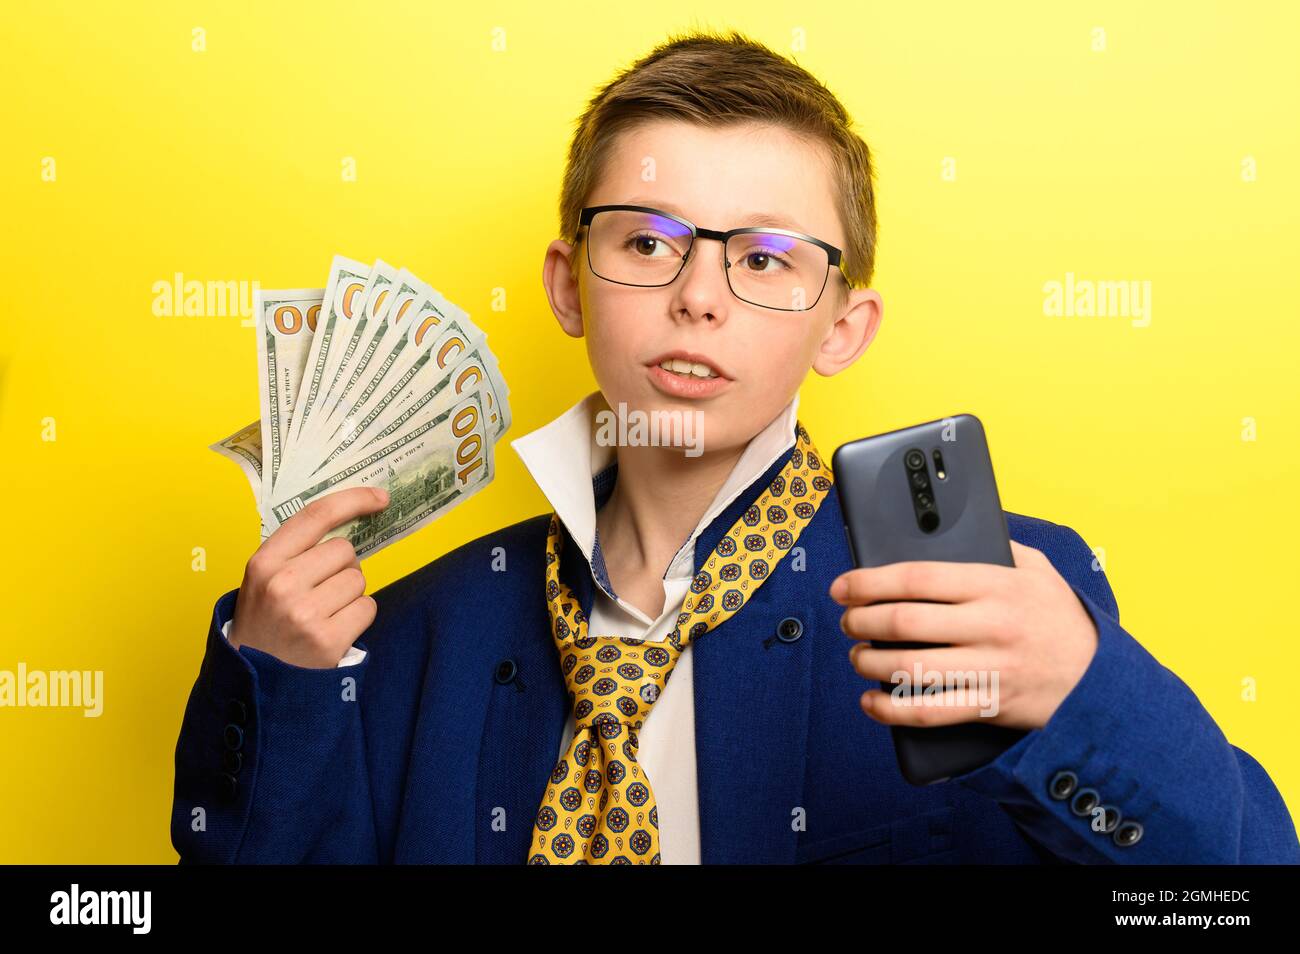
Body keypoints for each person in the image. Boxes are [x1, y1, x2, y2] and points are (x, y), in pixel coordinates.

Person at [171, 29, 1299, 864]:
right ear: (569, 287)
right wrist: (289, 687)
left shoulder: (992, 602)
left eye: (763, 258)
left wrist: (1084, 697)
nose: (698, 296)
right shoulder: (404, 636)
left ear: (841, 325)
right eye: (649, 241)